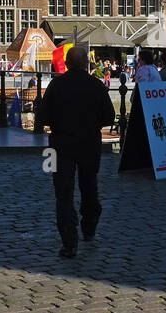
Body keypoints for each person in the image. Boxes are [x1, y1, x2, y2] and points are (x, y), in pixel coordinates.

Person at [34, 44, 115, 259]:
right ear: (86, 64)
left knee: (63, 195)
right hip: (89, 144)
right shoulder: (96, 86)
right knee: (89, 187)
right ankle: (89, 227)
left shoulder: (56, 85)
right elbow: (109, 116)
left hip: (60, 147)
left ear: (67, 64)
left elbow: (43, 117)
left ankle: (69, 242)